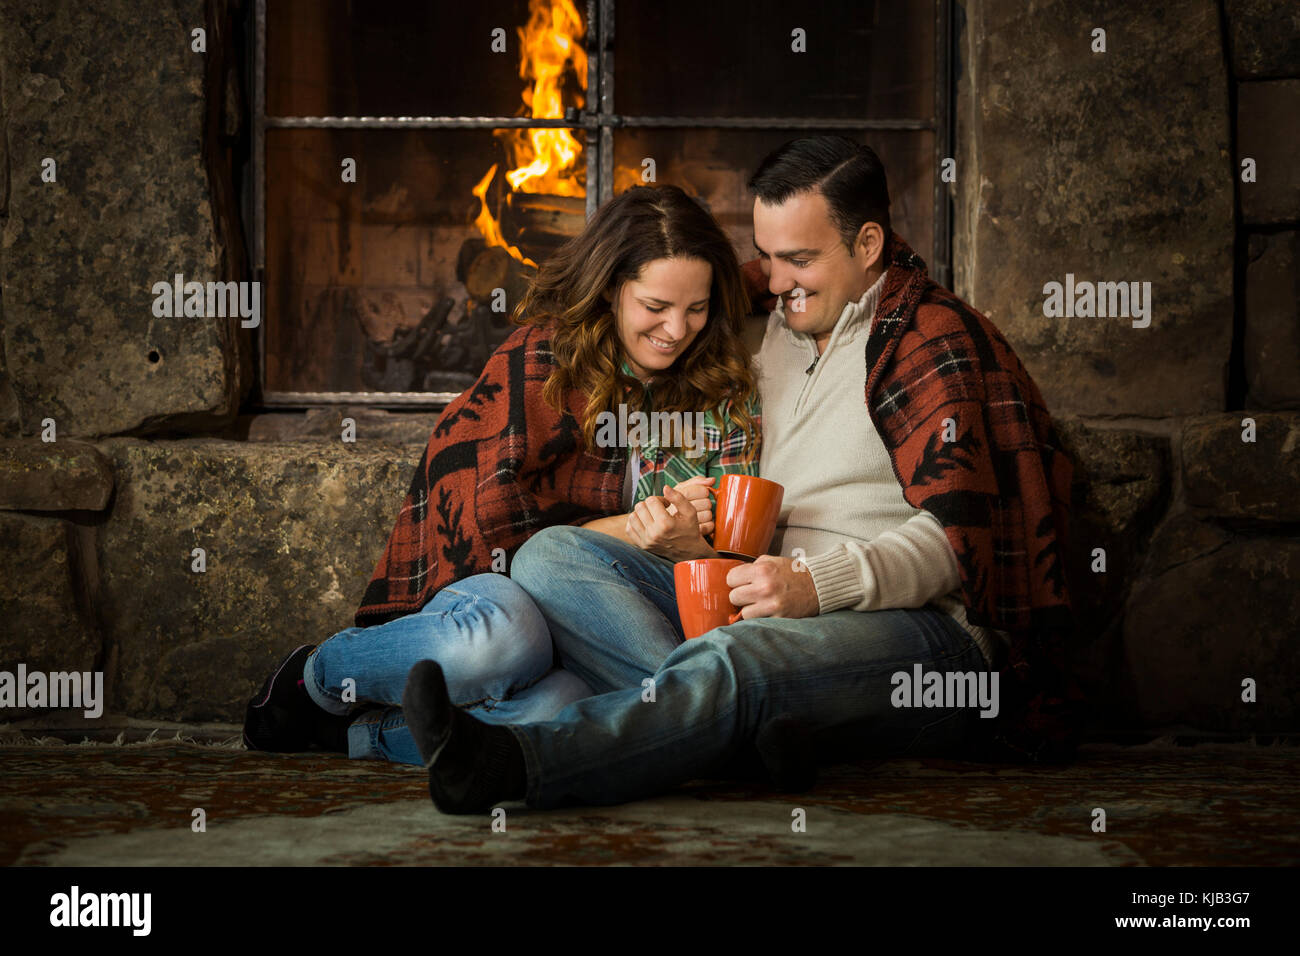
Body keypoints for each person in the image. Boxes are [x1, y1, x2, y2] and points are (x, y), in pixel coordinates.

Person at [399, 135, 1085, 813]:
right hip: (753, 594)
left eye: (800, 259)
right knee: (552, 556)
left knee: (740, 661)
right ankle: (741, 736)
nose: (776, 280)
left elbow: (961, 545)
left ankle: (514, 763)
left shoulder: (933, 343)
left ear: (869, 244)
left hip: (914, 632)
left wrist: (817, 585)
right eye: (765, 256)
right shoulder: (757, 331)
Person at [242, 183, 761, 766]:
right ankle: (317, 676)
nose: (677, 328)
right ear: (612, 288)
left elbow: (730, 562)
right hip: (501, 576)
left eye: (697, 308)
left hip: (605, 614)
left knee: (555, 713)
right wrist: (624, 525)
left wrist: (685, 539)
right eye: (655, 307)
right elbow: (492, 520)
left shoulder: (716, 387)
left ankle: (362, 737)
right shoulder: (543, 357)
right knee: (508, 641)